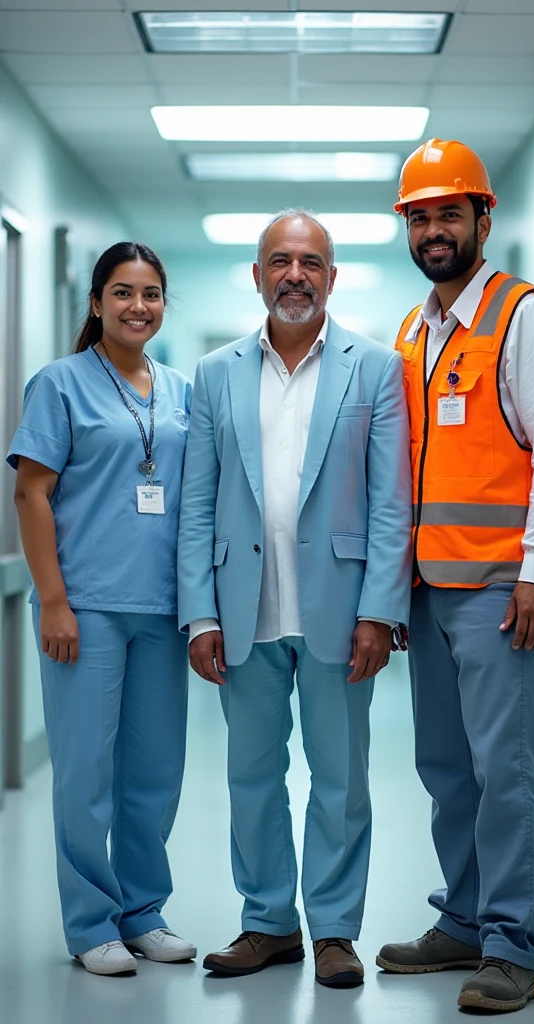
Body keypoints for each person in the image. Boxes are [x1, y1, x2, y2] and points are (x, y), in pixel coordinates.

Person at [376, 139, 534, 1013]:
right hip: (429, 591)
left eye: (448, 213)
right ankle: (462, 918)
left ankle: (511, 946)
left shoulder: (521, 315)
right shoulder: (415, 331)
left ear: (481, 219)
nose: (433, 230)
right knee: (446, 768)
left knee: (506, 771)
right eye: (419, 217)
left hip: (502, 593)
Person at [177, 209, 412, 988]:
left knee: (340, 778)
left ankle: (336, 930)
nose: (295, 275)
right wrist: (200, 614)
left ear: (332, 277)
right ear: (257, 275)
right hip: (241, 611)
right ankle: (268, 923)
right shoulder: (216, 374)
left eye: (311, 262)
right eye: (280, 260)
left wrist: (381, 610)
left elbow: (389, 503)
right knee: (251, 776)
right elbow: (198, 504)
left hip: (340, 613)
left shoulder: (373, 368)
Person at [7, 242, 196, 976]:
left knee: (155, 772)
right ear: (95, 303)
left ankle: (143, 912)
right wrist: (52, 600)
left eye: (151, 294)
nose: (137, 306)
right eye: (122, 292)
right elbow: (30, 494)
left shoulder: (180, 390)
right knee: (85, 772)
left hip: (161, 607)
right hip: (83, 606)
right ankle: (91, 924)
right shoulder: (58, 385)